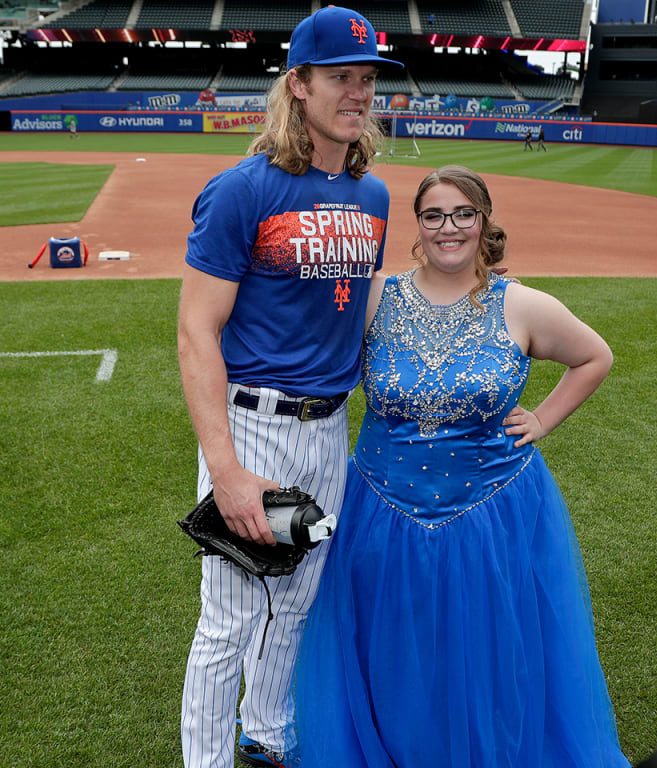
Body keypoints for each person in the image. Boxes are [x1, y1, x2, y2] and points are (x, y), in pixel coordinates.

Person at [290, 165, 627, 766]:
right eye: (434, 216)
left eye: (463, 214)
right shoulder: (377, 296)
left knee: (488, 646)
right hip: (381, 507)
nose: (449, 228)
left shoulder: (521, 304)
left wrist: (544, 419)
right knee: (393, 643)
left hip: (490, 511)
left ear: (483, 222)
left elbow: (594, 356)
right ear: (418, 226)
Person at [175, 7, 401, 768]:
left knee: (297, 603)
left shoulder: (373, 200)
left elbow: (360, 317)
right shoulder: (244, 191)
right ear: (298, 84)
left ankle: (265, 740)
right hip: (255, 424)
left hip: (327, 428)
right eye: (341, 77)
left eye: (367, 79)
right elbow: (195, 334)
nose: (358, 92)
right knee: (229, 617)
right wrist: (227, 471)